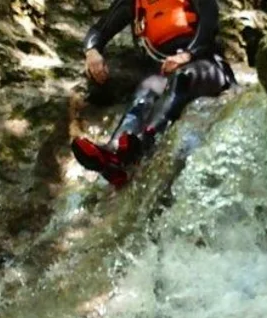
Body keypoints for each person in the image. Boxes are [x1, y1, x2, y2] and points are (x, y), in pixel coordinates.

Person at [71, 0, 237, 187]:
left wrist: (187, 55)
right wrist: (92, 51)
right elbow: (99, 31)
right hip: (163, 72)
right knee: (145, 92)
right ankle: (113, 153)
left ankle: (142, 143)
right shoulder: (134, 3)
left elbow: (210, 20)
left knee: (182, 77)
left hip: (205, 64)